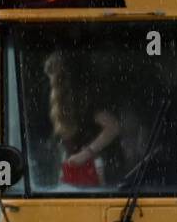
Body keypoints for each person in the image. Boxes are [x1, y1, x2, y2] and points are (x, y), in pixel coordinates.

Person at [44, 51, 123, 186]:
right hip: (72, 177)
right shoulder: (54, 106)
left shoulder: (83, 102)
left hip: (97, 172)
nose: (54, 82)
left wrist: (86, 154)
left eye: (58, 76)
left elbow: (113, 127)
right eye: (51, 75)